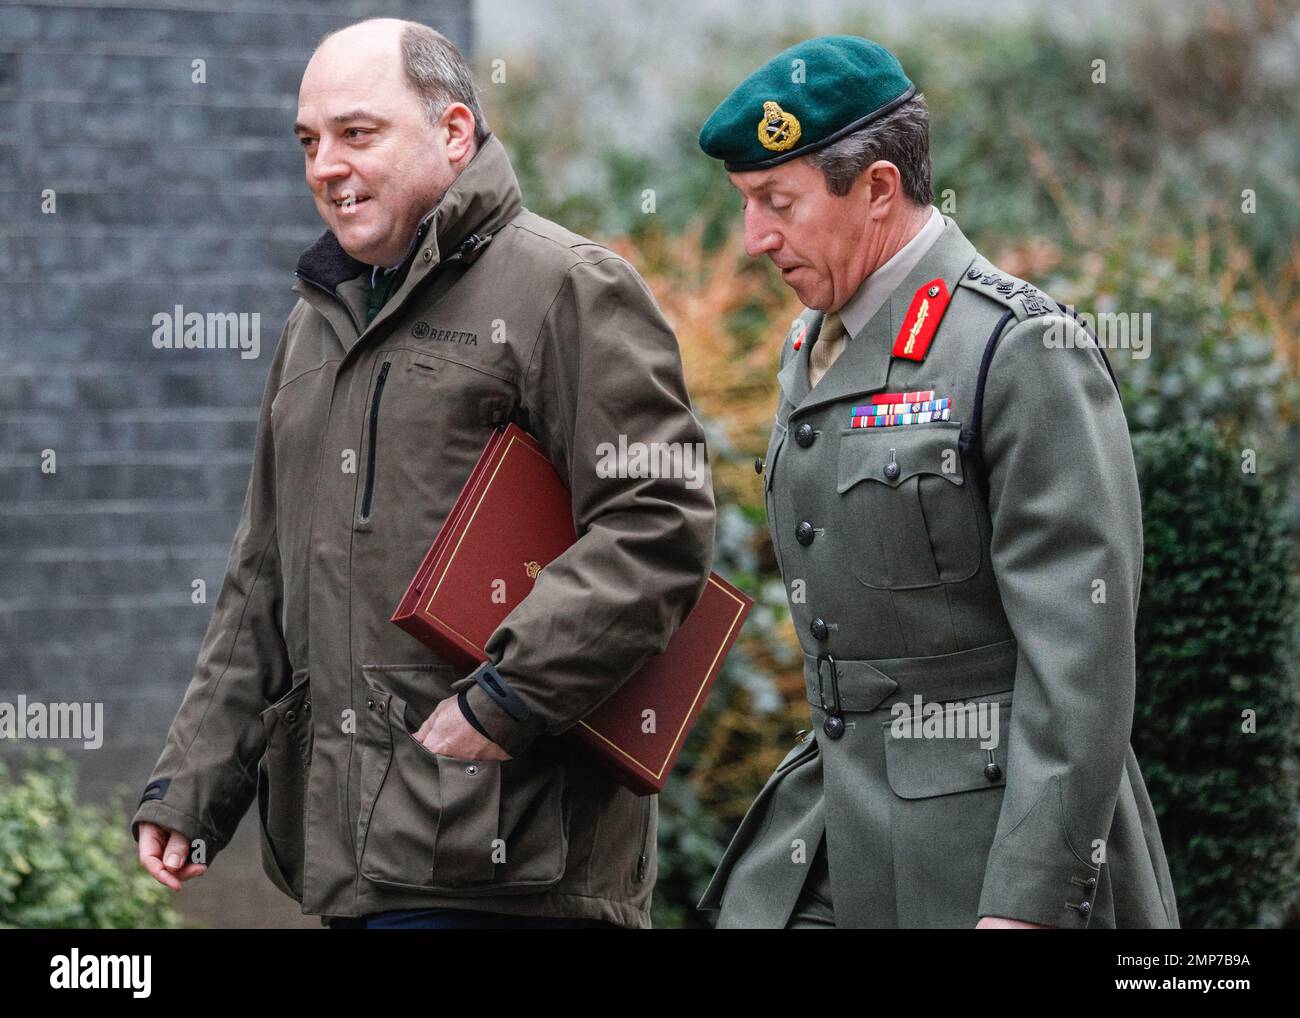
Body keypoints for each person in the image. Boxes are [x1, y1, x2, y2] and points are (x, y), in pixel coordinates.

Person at [131, 17, 715, 929]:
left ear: (453, 132)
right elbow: (261, 576)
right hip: (348, 864)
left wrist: (498, 706)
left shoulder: (567, 287)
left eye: (357, 134)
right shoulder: (315, 326)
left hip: (517, 868)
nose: (325, 165)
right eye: (309, 142)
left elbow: (659, 524)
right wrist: (193, 786)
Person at [694, 35, 1178, 929]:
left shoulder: (1019, 346)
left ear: (878, 188)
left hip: (985, 848)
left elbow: (1082, 659)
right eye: (748, 204)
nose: (755, 238)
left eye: (777, 203)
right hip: (839, 820)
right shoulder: (812, 343)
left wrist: (1027, 900)